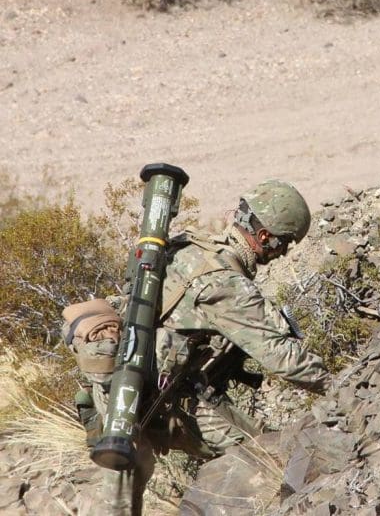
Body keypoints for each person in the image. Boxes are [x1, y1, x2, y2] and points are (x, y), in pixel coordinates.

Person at [66, 180, 330, 515]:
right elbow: (284, 359)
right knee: (262, 456)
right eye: (284, 243)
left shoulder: (187, 244)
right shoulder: (226, 285)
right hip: (156, 396)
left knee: (124, 486)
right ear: (265, 237)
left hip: (131, 380)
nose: (283, 253)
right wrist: (346, 389)